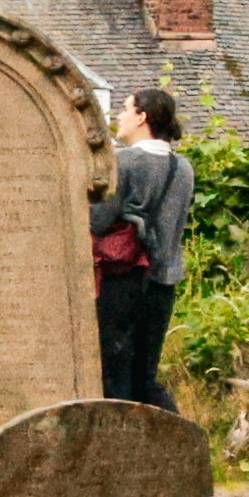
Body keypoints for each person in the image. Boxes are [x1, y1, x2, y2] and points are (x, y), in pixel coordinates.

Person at [97, 87, 192, 407]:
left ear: (142, 117)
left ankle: (120, 450)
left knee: (115, 374)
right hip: (164, 281)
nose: (118, 117)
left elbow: (98, 220)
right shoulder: (183, 168)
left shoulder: (123, 162)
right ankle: (182, 445)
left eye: (125, 109)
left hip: (122, 279)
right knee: (145, 377)